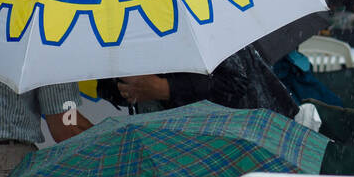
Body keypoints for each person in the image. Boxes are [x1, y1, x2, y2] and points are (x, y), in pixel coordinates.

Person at [100, 44, 298, 119]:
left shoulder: (198, 9)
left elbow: (234, 83)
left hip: (238, 133)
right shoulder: (117, 22)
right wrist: (123, 89)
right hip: (171, 139)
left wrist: (166, 89)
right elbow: (104, 86)